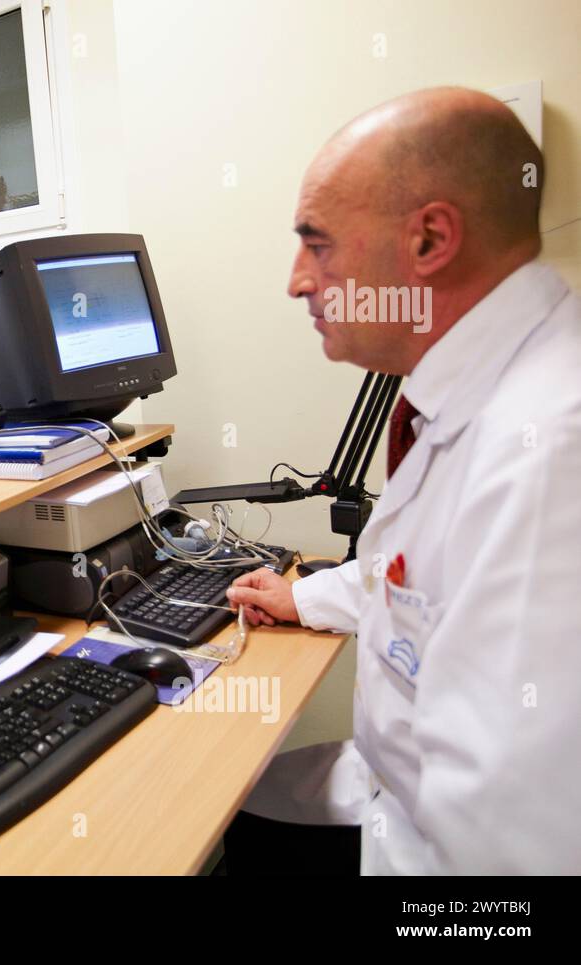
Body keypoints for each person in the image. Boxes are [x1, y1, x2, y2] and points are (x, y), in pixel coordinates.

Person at [224, 87, 581, 874]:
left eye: (316, 245)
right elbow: (434, 576)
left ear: (429, 239)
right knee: (225, 811)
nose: (296, 281)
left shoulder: (548, 451)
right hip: (396, 798)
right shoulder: (477, 388)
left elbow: (513, 864)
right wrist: (307, 597)